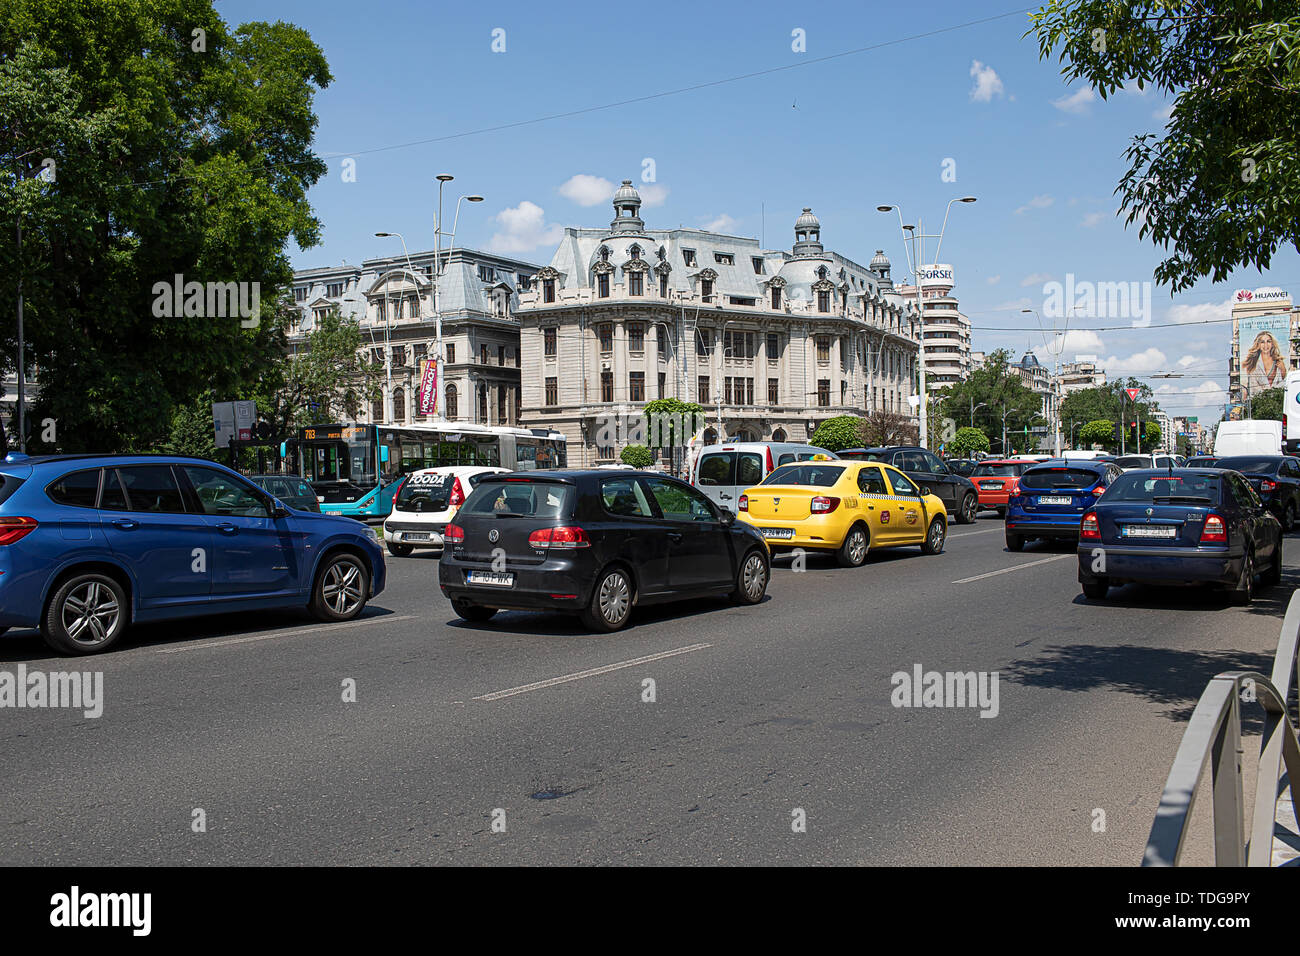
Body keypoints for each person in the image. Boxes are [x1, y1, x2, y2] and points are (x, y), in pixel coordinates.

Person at [1242, 329, 1288, 395]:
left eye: (1268, 341)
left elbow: (1284, 382)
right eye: (1262, 342)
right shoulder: (1253, 363)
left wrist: (1282, 369)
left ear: (1272, 344)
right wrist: (1266, 394)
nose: (1266, 345)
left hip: (1277, 400)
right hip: (1260, 401)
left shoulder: (1279, 362)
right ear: (1258, 344)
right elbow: (1253, 387)